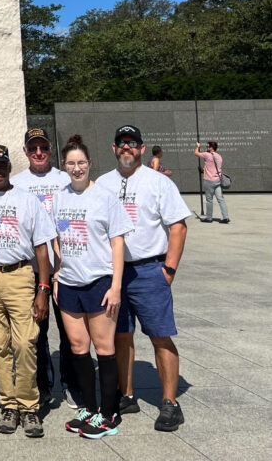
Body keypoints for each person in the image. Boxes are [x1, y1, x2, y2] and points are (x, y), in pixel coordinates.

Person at [96, 125, 191, 432]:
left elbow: (178, 226)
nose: (127, 148)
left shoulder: (157, 182)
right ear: (114, 148)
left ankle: (169, 403)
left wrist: (169, 270)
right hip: (115, 274)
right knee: (121, 336)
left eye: (132, 143)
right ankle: (127, 394)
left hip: (150, 270)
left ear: (141, 147)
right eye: (122, 143)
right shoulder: (102, 183)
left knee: (160, 335)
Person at [52, 135, 133, 439]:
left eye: (81, 163)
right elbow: (56, 239)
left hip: (99, 282)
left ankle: (109, 414)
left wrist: (115, 285)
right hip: (70, 284)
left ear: (90, 164)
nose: (76, 168)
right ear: (65, 166)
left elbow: (117, 242)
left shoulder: (105, 196)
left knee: (104, 348)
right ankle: (89, 406)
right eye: (71, 163)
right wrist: (58, 275)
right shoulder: (60, 197)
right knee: (77, 347)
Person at [0, 144, 56, 439]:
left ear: (9, 167)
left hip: (21, 274)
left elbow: (42, 248)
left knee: (25, 343)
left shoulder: (28, 200)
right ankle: (8, 404)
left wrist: (43, 289)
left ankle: (29, 405)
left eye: (1, 165)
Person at [10, 127, 75, 406]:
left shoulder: (66, 178)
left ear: (51, 150)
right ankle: (43, 384)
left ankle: (71, 383)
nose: (39, 153)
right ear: (25, 151)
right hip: (33, 268)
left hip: (66, 266)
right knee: (38, 330)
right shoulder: (16, 182)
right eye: (33, 148)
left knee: (70, 330)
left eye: (44, 148)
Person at [195, 141, 229, 223]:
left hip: (209, 180)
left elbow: (196, 153)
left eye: (207, 146)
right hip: (217, 180)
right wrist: (204, 170)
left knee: (209, 200)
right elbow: (214, 168)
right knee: (221, 199)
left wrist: (198, 146)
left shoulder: (207, 155)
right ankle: (226, 217)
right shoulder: (219, 156)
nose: (207, 148)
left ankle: (209, 218)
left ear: (211, 148)